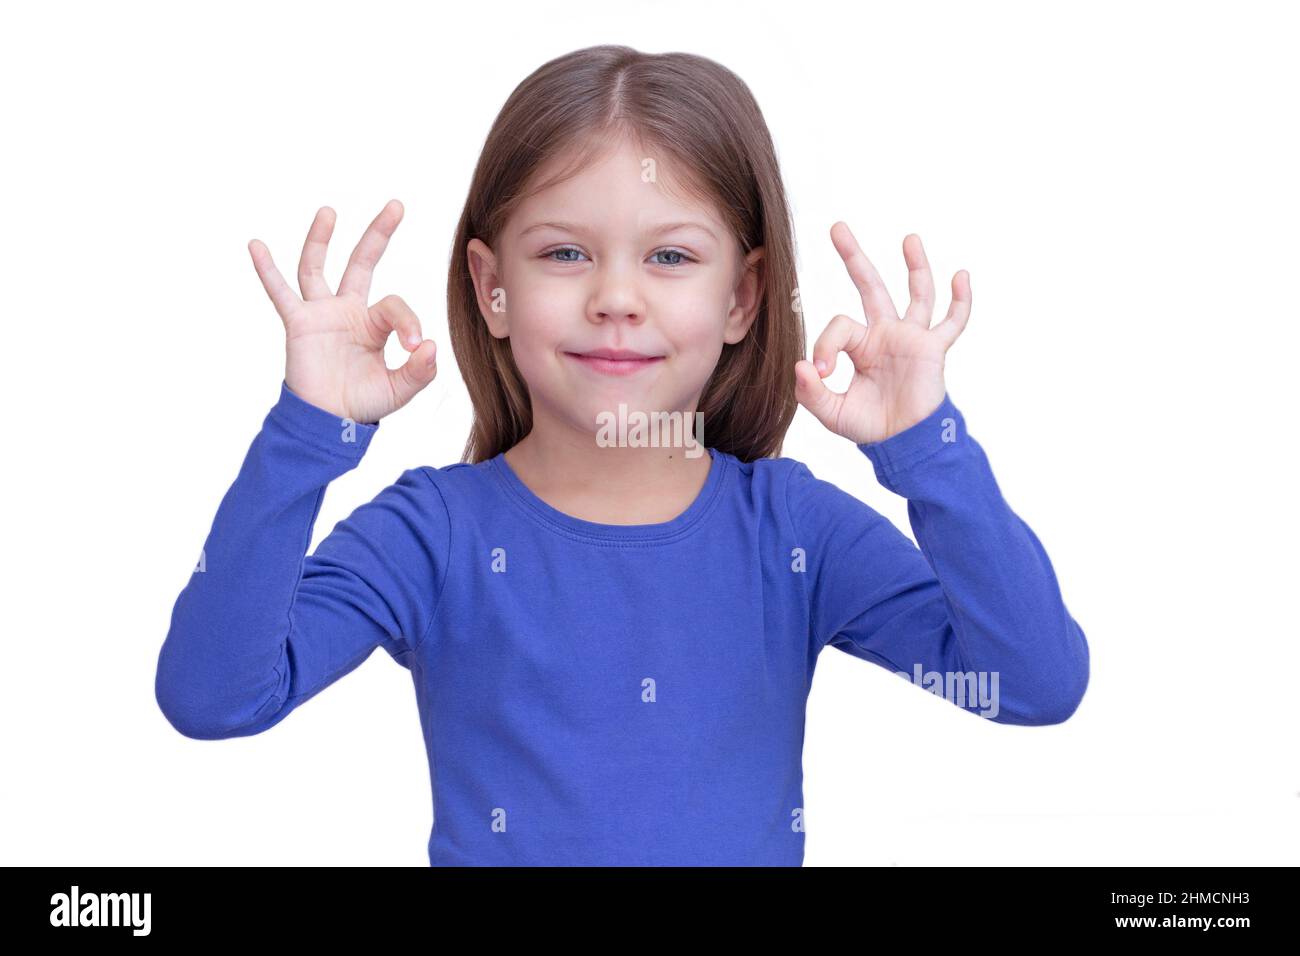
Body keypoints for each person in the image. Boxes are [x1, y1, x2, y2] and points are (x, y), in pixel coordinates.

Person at [155, 44, 1089, 866]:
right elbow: (213, 696)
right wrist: (308, 432)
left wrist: (931, 452)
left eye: (671, 258)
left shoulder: (794, 532)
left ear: (743, 298)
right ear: (491, 289)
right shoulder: (432, 534)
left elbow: (1034, 684)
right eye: (563, 254)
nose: (615, 298)